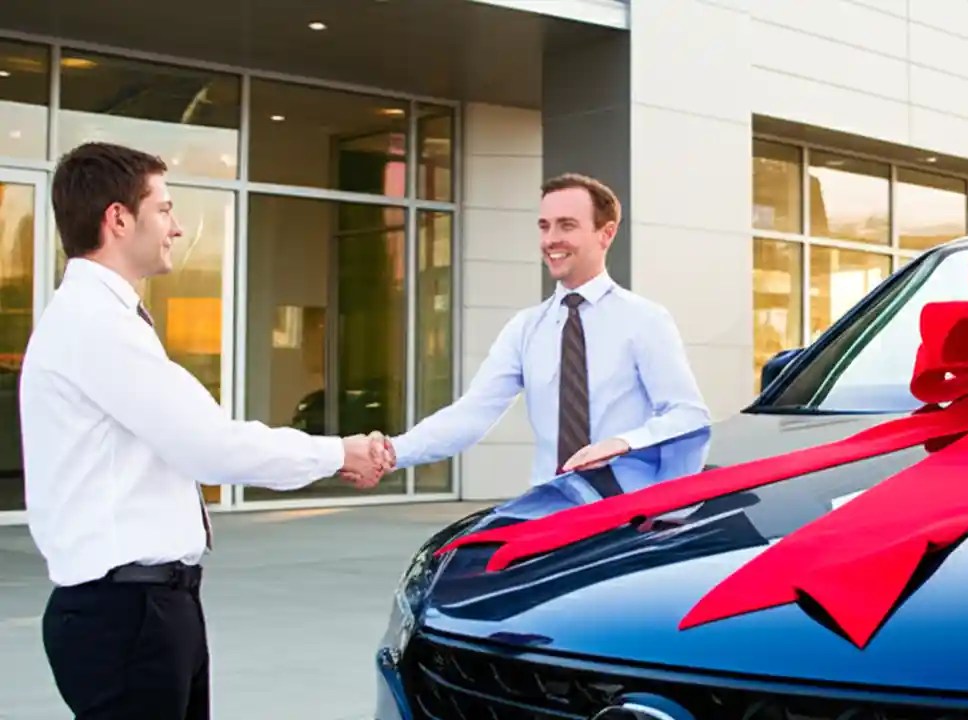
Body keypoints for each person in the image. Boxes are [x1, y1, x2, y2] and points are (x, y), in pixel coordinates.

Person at [20, 141, 394, 720]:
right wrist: (337, 452)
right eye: (164, 209)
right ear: (118, 219)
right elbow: (211, 445)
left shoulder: (104, 321)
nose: (177, 227)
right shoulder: (94, 326)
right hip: (125, 614)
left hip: (148, 606)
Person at [384, 173, 710, 497]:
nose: (550, 239)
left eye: (566, 225)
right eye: (544, 226)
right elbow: (472, 413)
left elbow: (689, 416)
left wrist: (624, 443)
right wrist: (390, 452)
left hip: (627, 513)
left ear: (606, 234)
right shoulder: (525, 328)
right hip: (550, 510)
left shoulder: (645, 320)